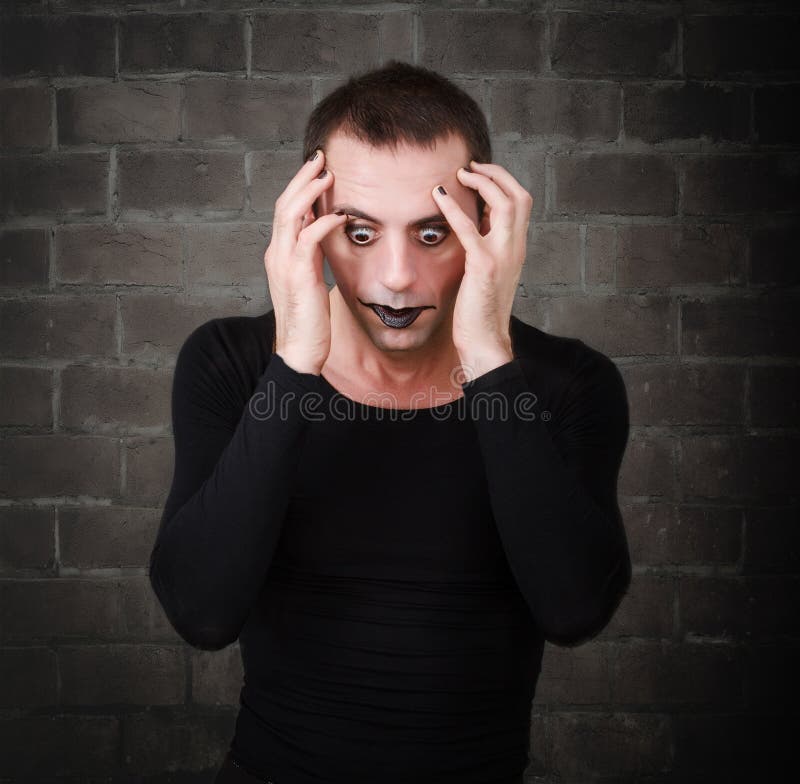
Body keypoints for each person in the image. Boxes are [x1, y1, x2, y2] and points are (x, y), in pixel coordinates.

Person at [149, 61, 631, 784]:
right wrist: (296, 364)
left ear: (487, 230)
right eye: (362, 233)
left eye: (433, 235)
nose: (398, 277)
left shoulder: (567, 384)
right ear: (309, 226)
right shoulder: (234, 364)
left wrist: (489, 358)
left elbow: (573, 611)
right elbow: (201, 614)